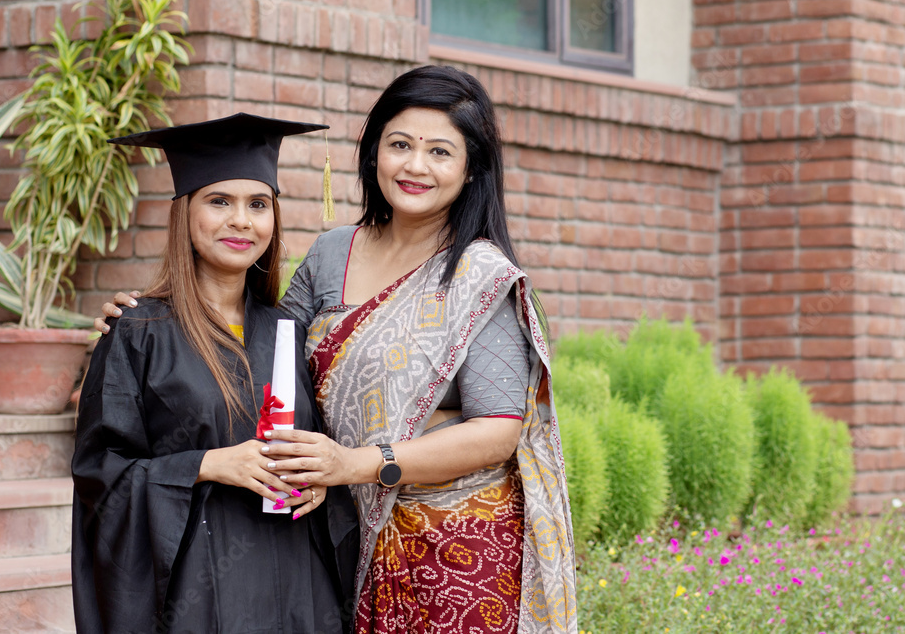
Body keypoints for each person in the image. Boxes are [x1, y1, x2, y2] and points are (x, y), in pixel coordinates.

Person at [97, 66, 577, 633]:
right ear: (374, 152)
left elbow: (498, 430)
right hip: (352, 544)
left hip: (457, 546)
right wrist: (151, 324)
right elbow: (267, 355)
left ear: (472, 170)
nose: (415, 166)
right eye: (400, 144)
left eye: (441, 152)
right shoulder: (331, 254)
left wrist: (356, 462)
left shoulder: (479, 277)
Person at [72, 113, 356, 634]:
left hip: (295, 586)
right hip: (194, 595)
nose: (242, 221)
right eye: (219, 201)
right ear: (184, 213)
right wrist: (206, 464)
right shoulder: (138, 331)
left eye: (258, 204)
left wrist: (323, 485)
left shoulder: (289, 331)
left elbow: (323, 447)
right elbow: (99, 475)